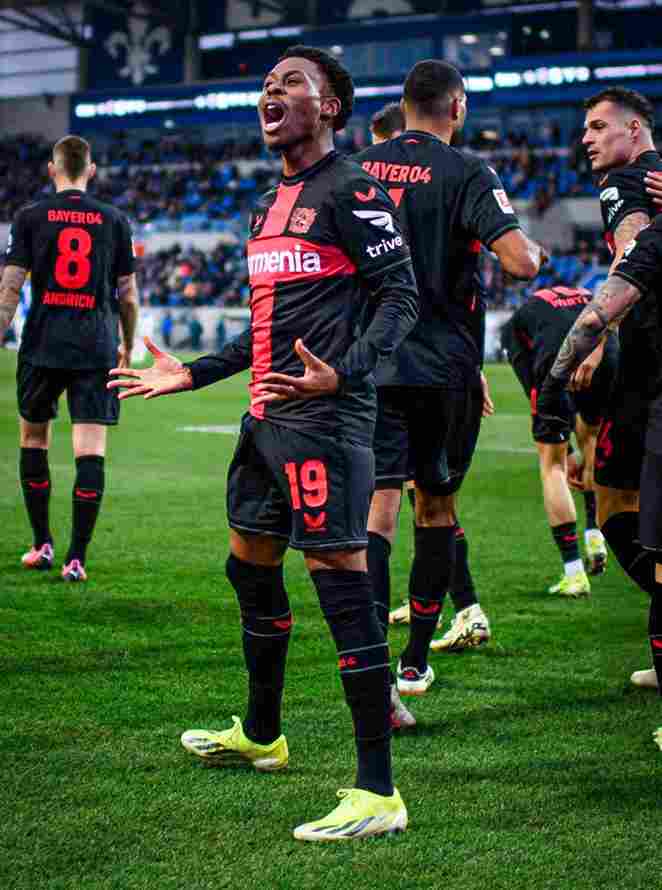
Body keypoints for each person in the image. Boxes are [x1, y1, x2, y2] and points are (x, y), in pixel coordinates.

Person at [108, 46, 419, 841]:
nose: (271, 92)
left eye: (292, 83)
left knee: (342, 591)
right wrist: (196, 374)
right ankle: (262, 733)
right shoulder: (263, 206)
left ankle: (378, 793)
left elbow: (400, 296)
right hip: (262, 424)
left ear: (332, 109)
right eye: (267, 83)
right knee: (248, 567)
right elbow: (262, 332)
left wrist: (343, 375)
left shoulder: (354, 188)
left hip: (325, 423)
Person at [350, 60, 546, 700]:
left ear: (404, 104)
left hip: (374, 363)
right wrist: (537, 250)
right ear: (456, 107)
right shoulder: (467, 172)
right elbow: (518, 261)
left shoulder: (356, 170)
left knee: (377, 512)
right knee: (435, 506)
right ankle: (413, 663)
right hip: (444, 367)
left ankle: (373, 659)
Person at [537, 214, 662, 748]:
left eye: (596, 124)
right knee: (618, 516)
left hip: (655, 402)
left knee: (655, 546)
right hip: (638, 395)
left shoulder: (650, 235)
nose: (586, 137)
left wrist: (553, 378)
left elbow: (595, 315)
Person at [0, 135, 138, 582]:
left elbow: (10, 290)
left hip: (42, 344)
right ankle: (76, 559)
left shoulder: (29, 217)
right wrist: (128, 344)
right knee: (90, 453)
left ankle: (42, 544)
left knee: (34, 441)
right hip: (96, 346)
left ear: (51, 169)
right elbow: (128, 296)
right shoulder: (114, 219)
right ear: (91, 170)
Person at [577, 87, 662, 688]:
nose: (587, 138)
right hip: (645, 367)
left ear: (634, 130)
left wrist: (599, 329)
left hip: (650, 371)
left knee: (616, 508)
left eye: (599, 126)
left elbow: (631, 251)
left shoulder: (627, 181)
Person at [504, 284, 617, 595]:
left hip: (557, 355)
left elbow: (532, 385)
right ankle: (596, 537)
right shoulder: (584, 292)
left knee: (552, 465)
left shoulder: (518, 322)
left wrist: (562, 448)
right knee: (592, 438)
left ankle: (574, 573)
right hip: (606, 352)